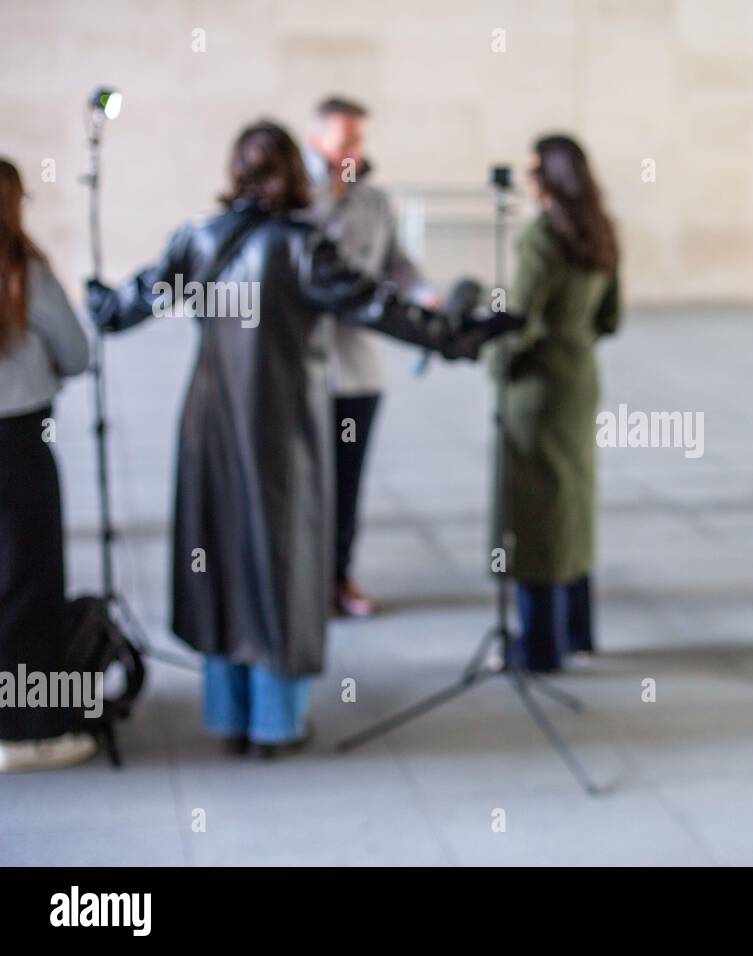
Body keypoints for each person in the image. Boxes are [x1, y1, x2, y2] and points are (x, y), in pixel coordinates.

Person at [86, 121, 514, 758]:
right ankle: (274, 725)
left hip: (209, 427)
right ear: (293, 172)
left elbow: (120, 311)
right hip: (280, 432)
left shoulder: (196, 239)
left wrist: (94, 294)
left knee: (219, 559)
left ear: (236, 172)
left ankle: (228, 716)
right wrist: (459, 335)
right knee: (281, 565)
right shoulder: (303, 248)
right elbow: (383, 309)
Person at [489, 134, 621, 673]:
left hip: (537, 386)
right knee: (573, 500)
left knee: (534, 512)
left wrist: (494, 362)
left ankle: (539, 645)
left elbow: (519, 317)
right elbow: (610, 318)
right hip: (580, 378)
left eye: (533, 170)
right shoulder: (601, 228)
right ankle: (577, 632)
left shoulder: (544, 235)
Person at [305, 96, 436, 618]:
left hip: (356, 371)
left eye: (359, 140)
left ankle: (338, 576)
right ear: (317, 141)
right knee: (301, 483)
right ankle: (301, 583)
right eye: (346, 140)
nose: (355, 150)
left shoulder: (375, 202)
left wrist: (423, 295)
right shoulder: (297, 200)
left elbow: (396, 263)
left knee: (346, 480)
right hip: (303, 368)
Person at [0, 158, 95, 772]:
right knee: (26, 587)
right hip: (16, 444)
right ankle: (26, 732)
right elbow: (77, 353)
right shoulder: (24, 273)